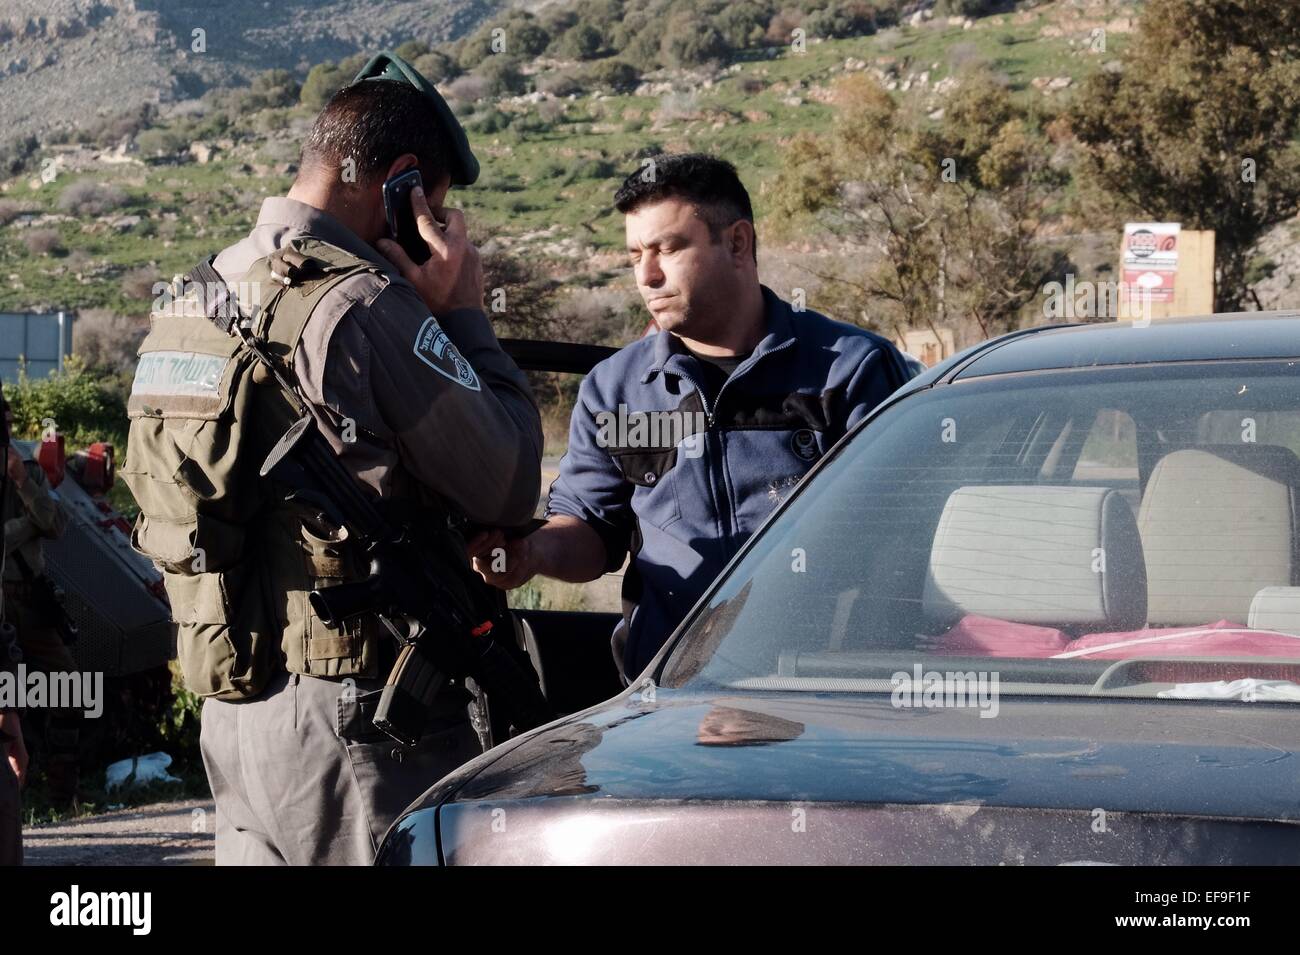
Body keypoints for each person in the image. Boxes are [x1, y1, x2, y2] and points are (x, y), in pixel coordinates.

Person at [137, 52, 542, 865]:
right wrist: (464, 312)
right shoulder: (362, 304)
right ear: (402, 184)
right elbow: (507, 479)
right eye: (433, 201)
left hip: (236, 710)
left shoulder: (196, 295)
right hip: (360, 721)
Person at [471, 153, 913, 682]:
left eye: (668, 248)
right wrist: (532, 553)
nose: (647, 275)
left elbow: (899, 539)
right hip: (667, 697)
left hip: (825, 689)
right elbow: (591, 529)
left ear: (738, 243)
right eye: (635, 255)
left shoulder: (850, 369)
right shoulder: (615, 390)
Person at [1, 400, 75, 805]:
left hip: (31, 604)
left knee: (68, 689)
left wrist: (23, 484)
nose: (8, 432)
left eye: (10, 424)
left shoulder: (26, 472)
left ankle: (63, 794)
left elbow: (58, 524)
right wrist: (30, 523)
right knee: (6, 701)